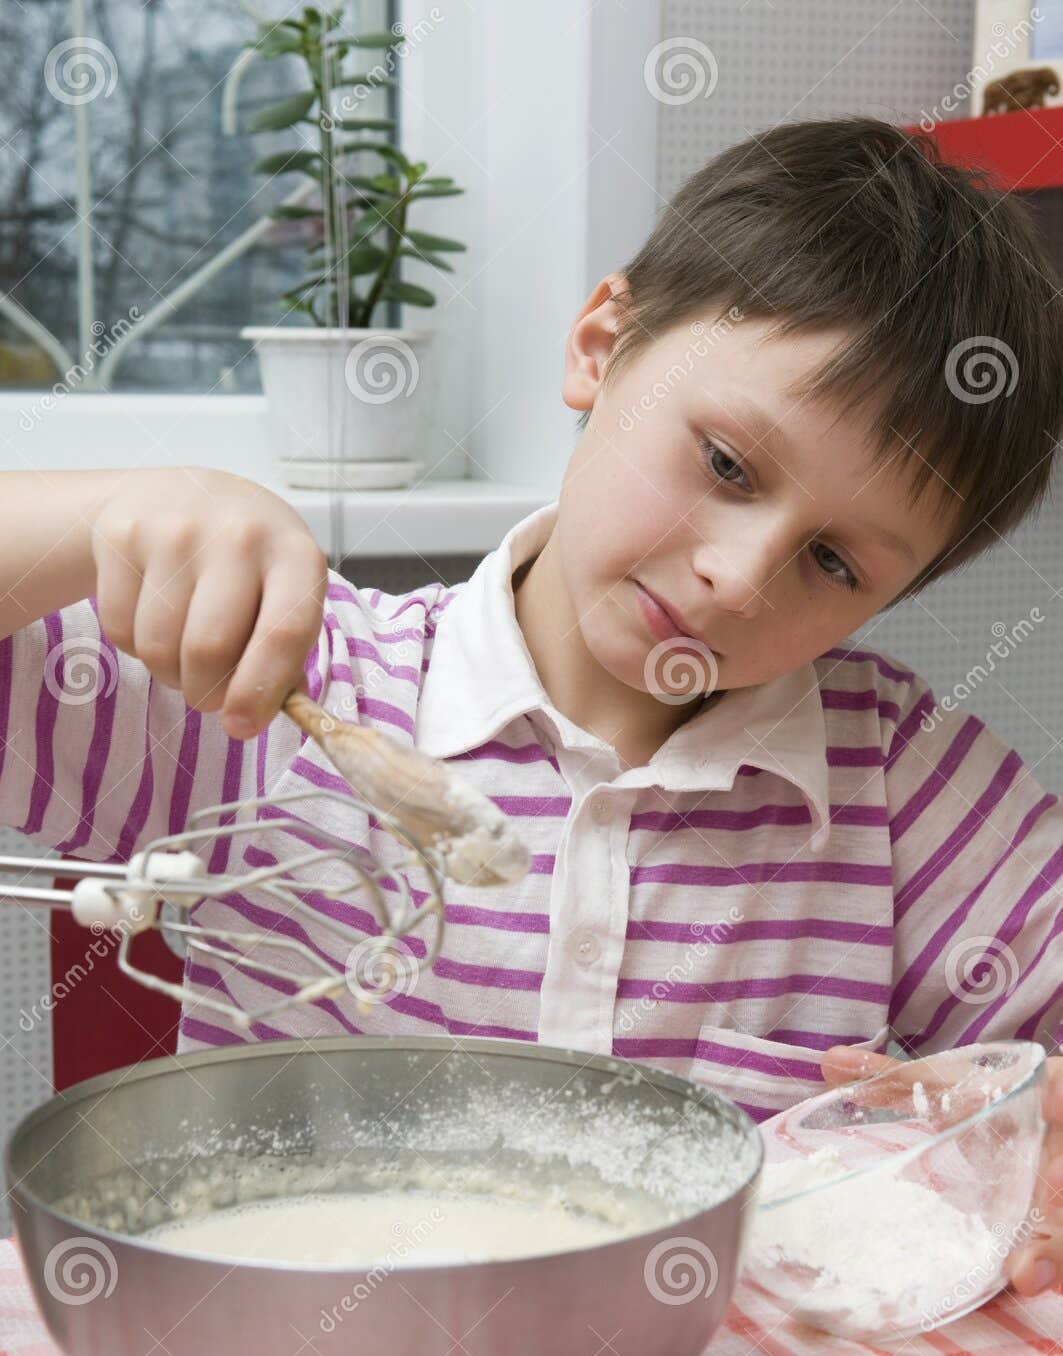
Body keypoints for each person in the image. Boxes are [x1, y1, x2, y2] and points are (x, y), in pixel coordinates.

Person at [2, 116, 1061, 1296]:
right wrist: (110, 508)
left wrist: (1035, 1126)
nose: (740, 575)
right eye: (724, 465)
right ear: (601, 345)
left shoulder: (909, 795)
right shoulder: (272, 681)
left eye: (834, 564)